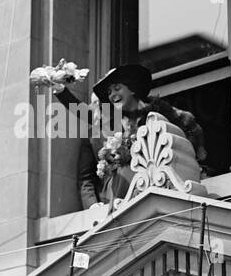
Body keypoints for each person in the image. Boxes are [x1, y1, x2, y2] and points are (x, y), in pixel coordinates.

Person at [81, 63, 208, 205]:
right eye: (109, 92)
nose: (113, 95)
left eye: (117, 88)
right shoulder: (114, 126)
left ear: (132, 89)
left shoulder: (160, 113)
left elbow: (191, 129)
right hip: (129, 195)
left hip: (167, 187)